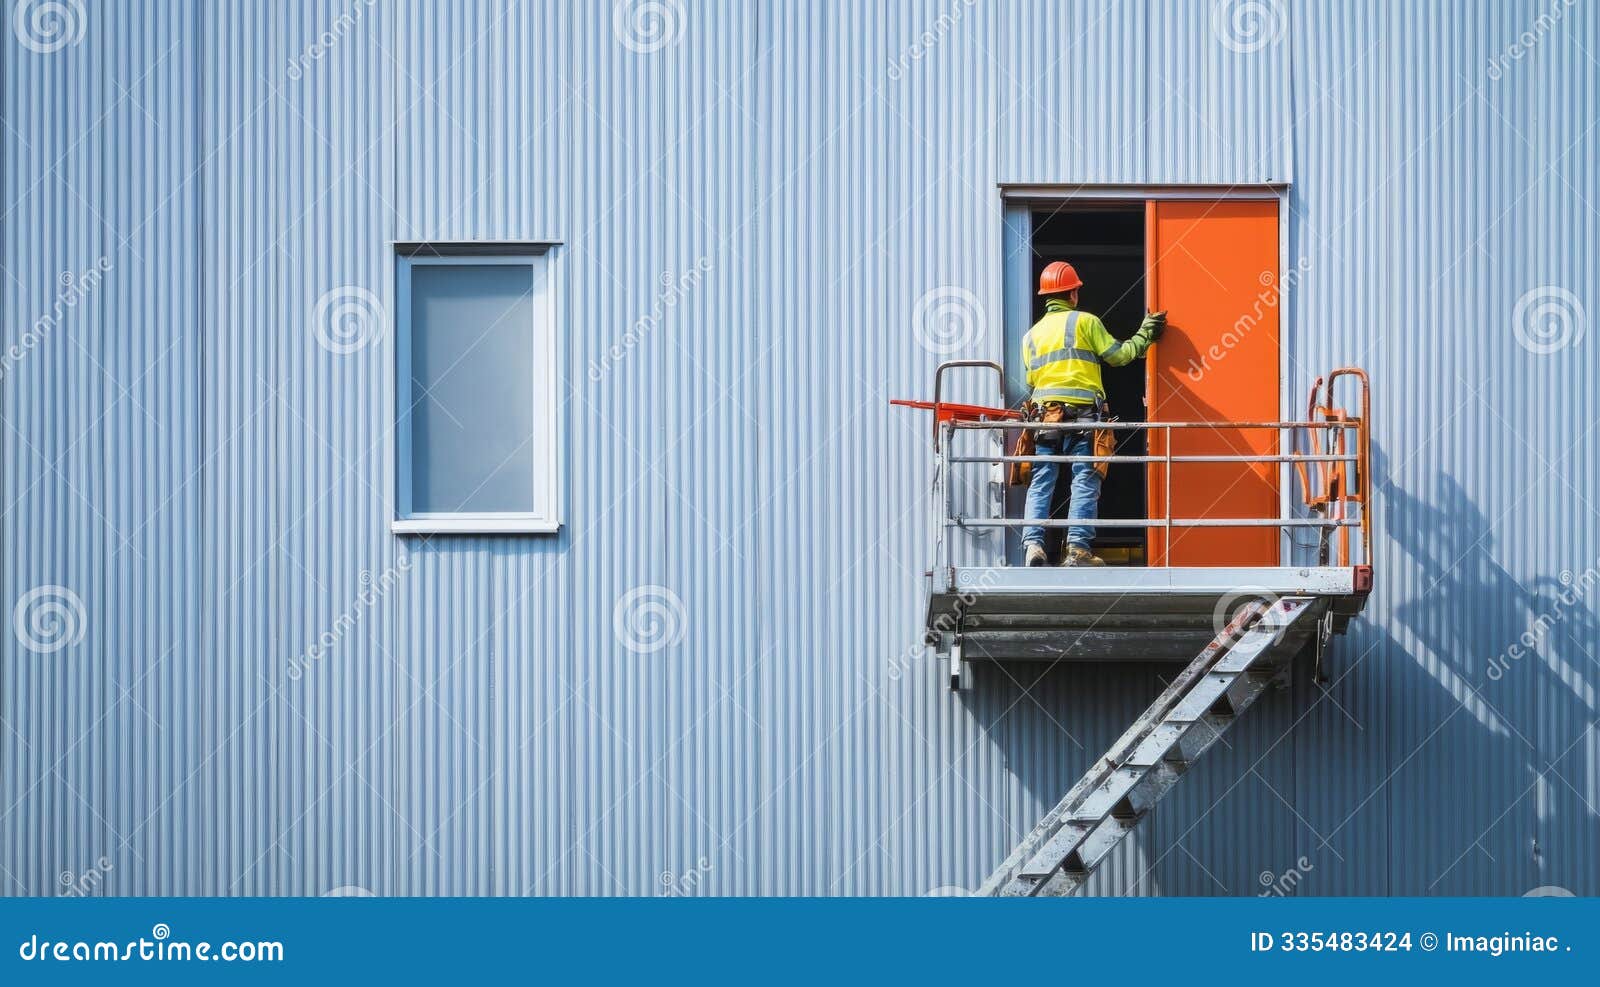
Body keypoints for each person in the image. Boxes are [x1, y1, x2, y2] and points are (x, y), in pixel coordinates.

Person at [1021, 261, 1165, 566]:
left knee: (1042, 479)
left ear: (1046, 297)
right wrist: (1145, 335)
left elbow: (1031, 381)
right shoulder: (1085, 322)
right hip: (1083, 418)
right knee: (1084, 479)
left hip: (1044, 419)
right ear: (1073, 293)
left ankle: (1033, 546)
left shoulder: (1031, 336)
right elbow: (1120, 356)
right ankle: (1077, 551)